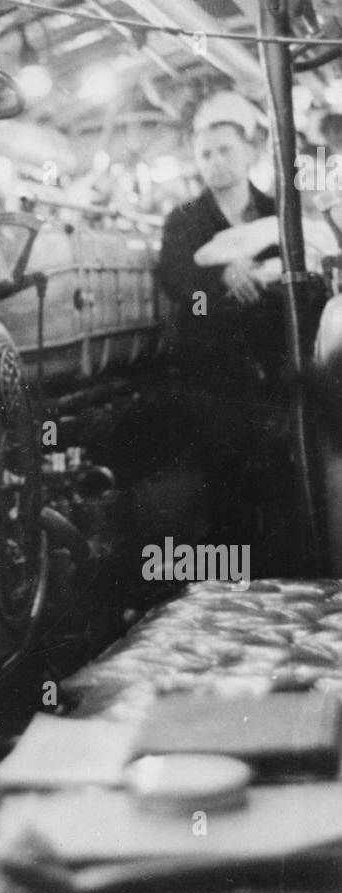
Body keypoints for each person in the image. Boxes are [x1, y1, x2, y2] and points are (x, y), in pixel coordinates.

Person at [157, 92, 291, 564]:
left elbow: (304, 278)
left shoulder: (281, 215)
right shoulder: (185, 220)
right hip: (215, 381)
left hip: (277, 374)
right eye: (205, 154)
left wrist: (266, 281)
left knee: (284, 490)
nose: (214, 162)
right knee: (227, 494)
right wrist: (222, 278)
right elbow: (176, 279)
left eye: (224, 150)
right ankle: (232, 594)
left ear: (250, 152)